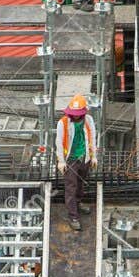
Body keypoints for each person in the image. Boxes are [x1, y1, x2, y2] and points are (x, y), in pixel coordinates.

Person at [56, 94, 98, 228]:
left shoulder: (88, 120)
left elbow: (92, 138)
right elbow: (59, 142)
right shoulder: (63, 123)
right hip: (71, 160)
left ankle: (78, 204)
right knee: (71, 187)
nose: (74, 116)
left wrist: (93, 156)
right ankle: (73, 216)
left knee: (80, 184)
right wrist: (61, 161)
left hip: (84, 157)